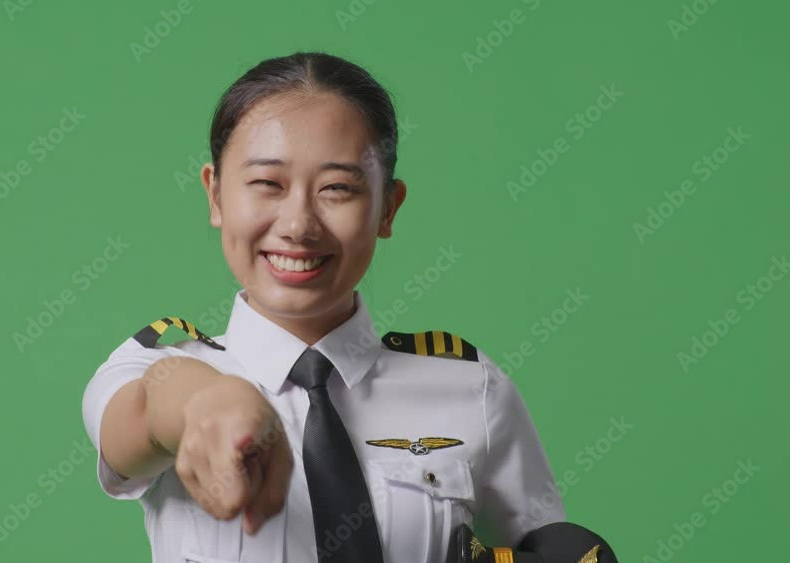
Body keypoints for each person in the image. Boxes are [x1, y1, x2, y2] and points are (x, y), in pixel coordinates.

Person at [82, 52, 568, 563]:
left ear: (388, 208)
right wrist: (208, 400)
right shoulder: (156, 367)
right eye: (267, 184)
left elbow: (542, 544)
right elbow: (135, 421)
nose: (298, 225)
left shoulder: (471, 389)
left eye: (338, 188)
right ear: (216, 195)